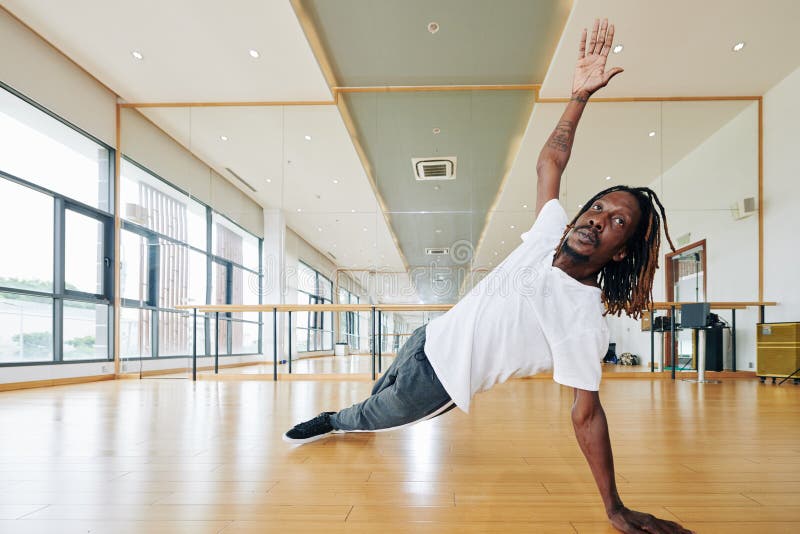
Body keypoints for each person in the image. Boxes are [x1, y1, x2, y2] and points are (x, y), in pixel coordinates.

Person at [284, 19, 693, 534]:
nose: (597, 218)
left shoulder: (583, 321)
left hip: (437, 384)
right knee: (376, 392)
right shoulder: (550, 231)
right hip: (427, 336)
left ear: (620, 253)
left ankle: (333, 422)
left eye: (618, 222)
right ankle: (360, 409)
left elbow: (586, 415)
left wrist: (614, 507)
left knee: (369, 417)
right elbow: (551, 161)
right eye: (597, 207)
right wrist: (579, 97)